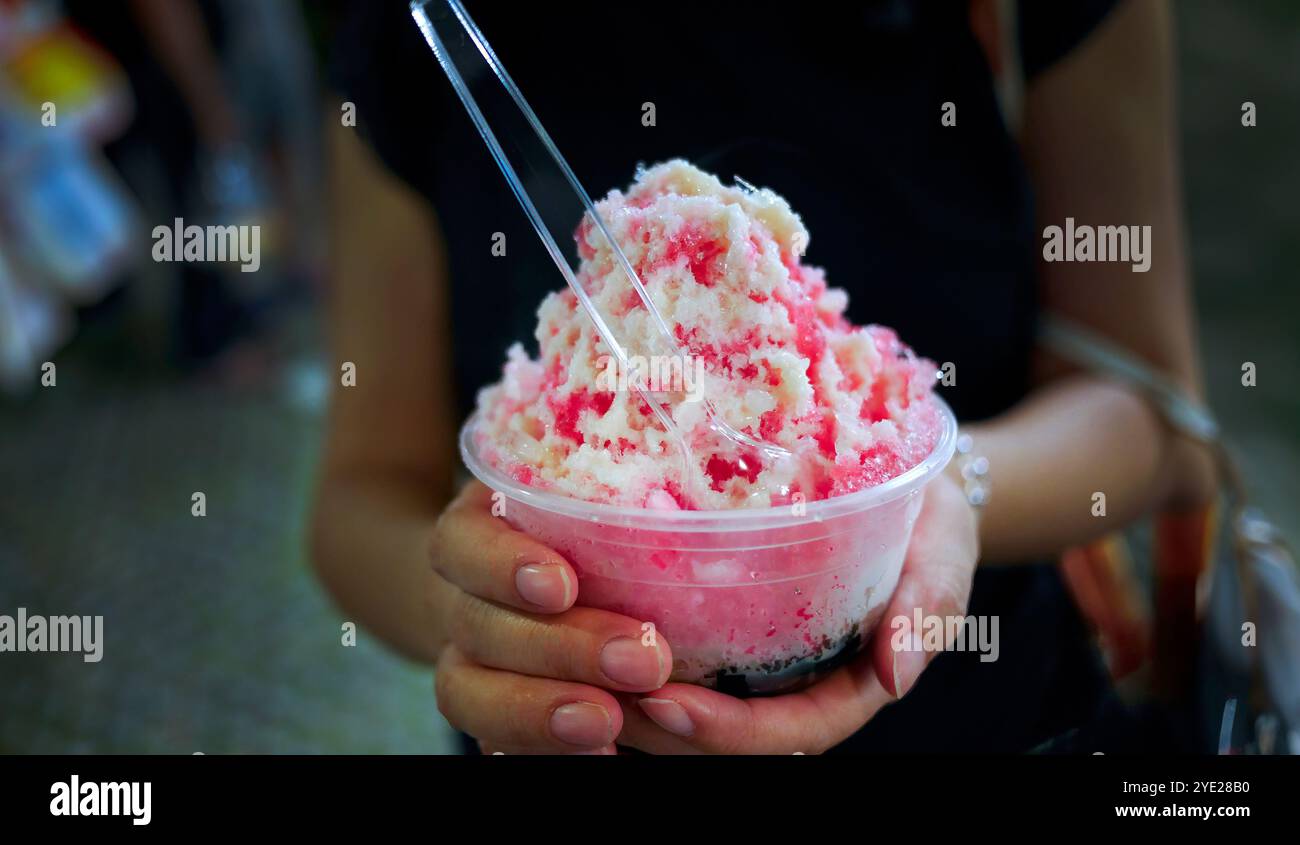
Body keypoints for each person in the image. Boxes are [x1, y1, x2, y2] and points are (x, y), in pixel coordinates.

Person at [313, 0, 1216, 753]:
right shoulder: (412, 27)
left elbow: (1160, 418)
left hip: (992, 717)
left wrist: (948, 491)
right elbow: (360, 494)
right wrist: (474, 613)